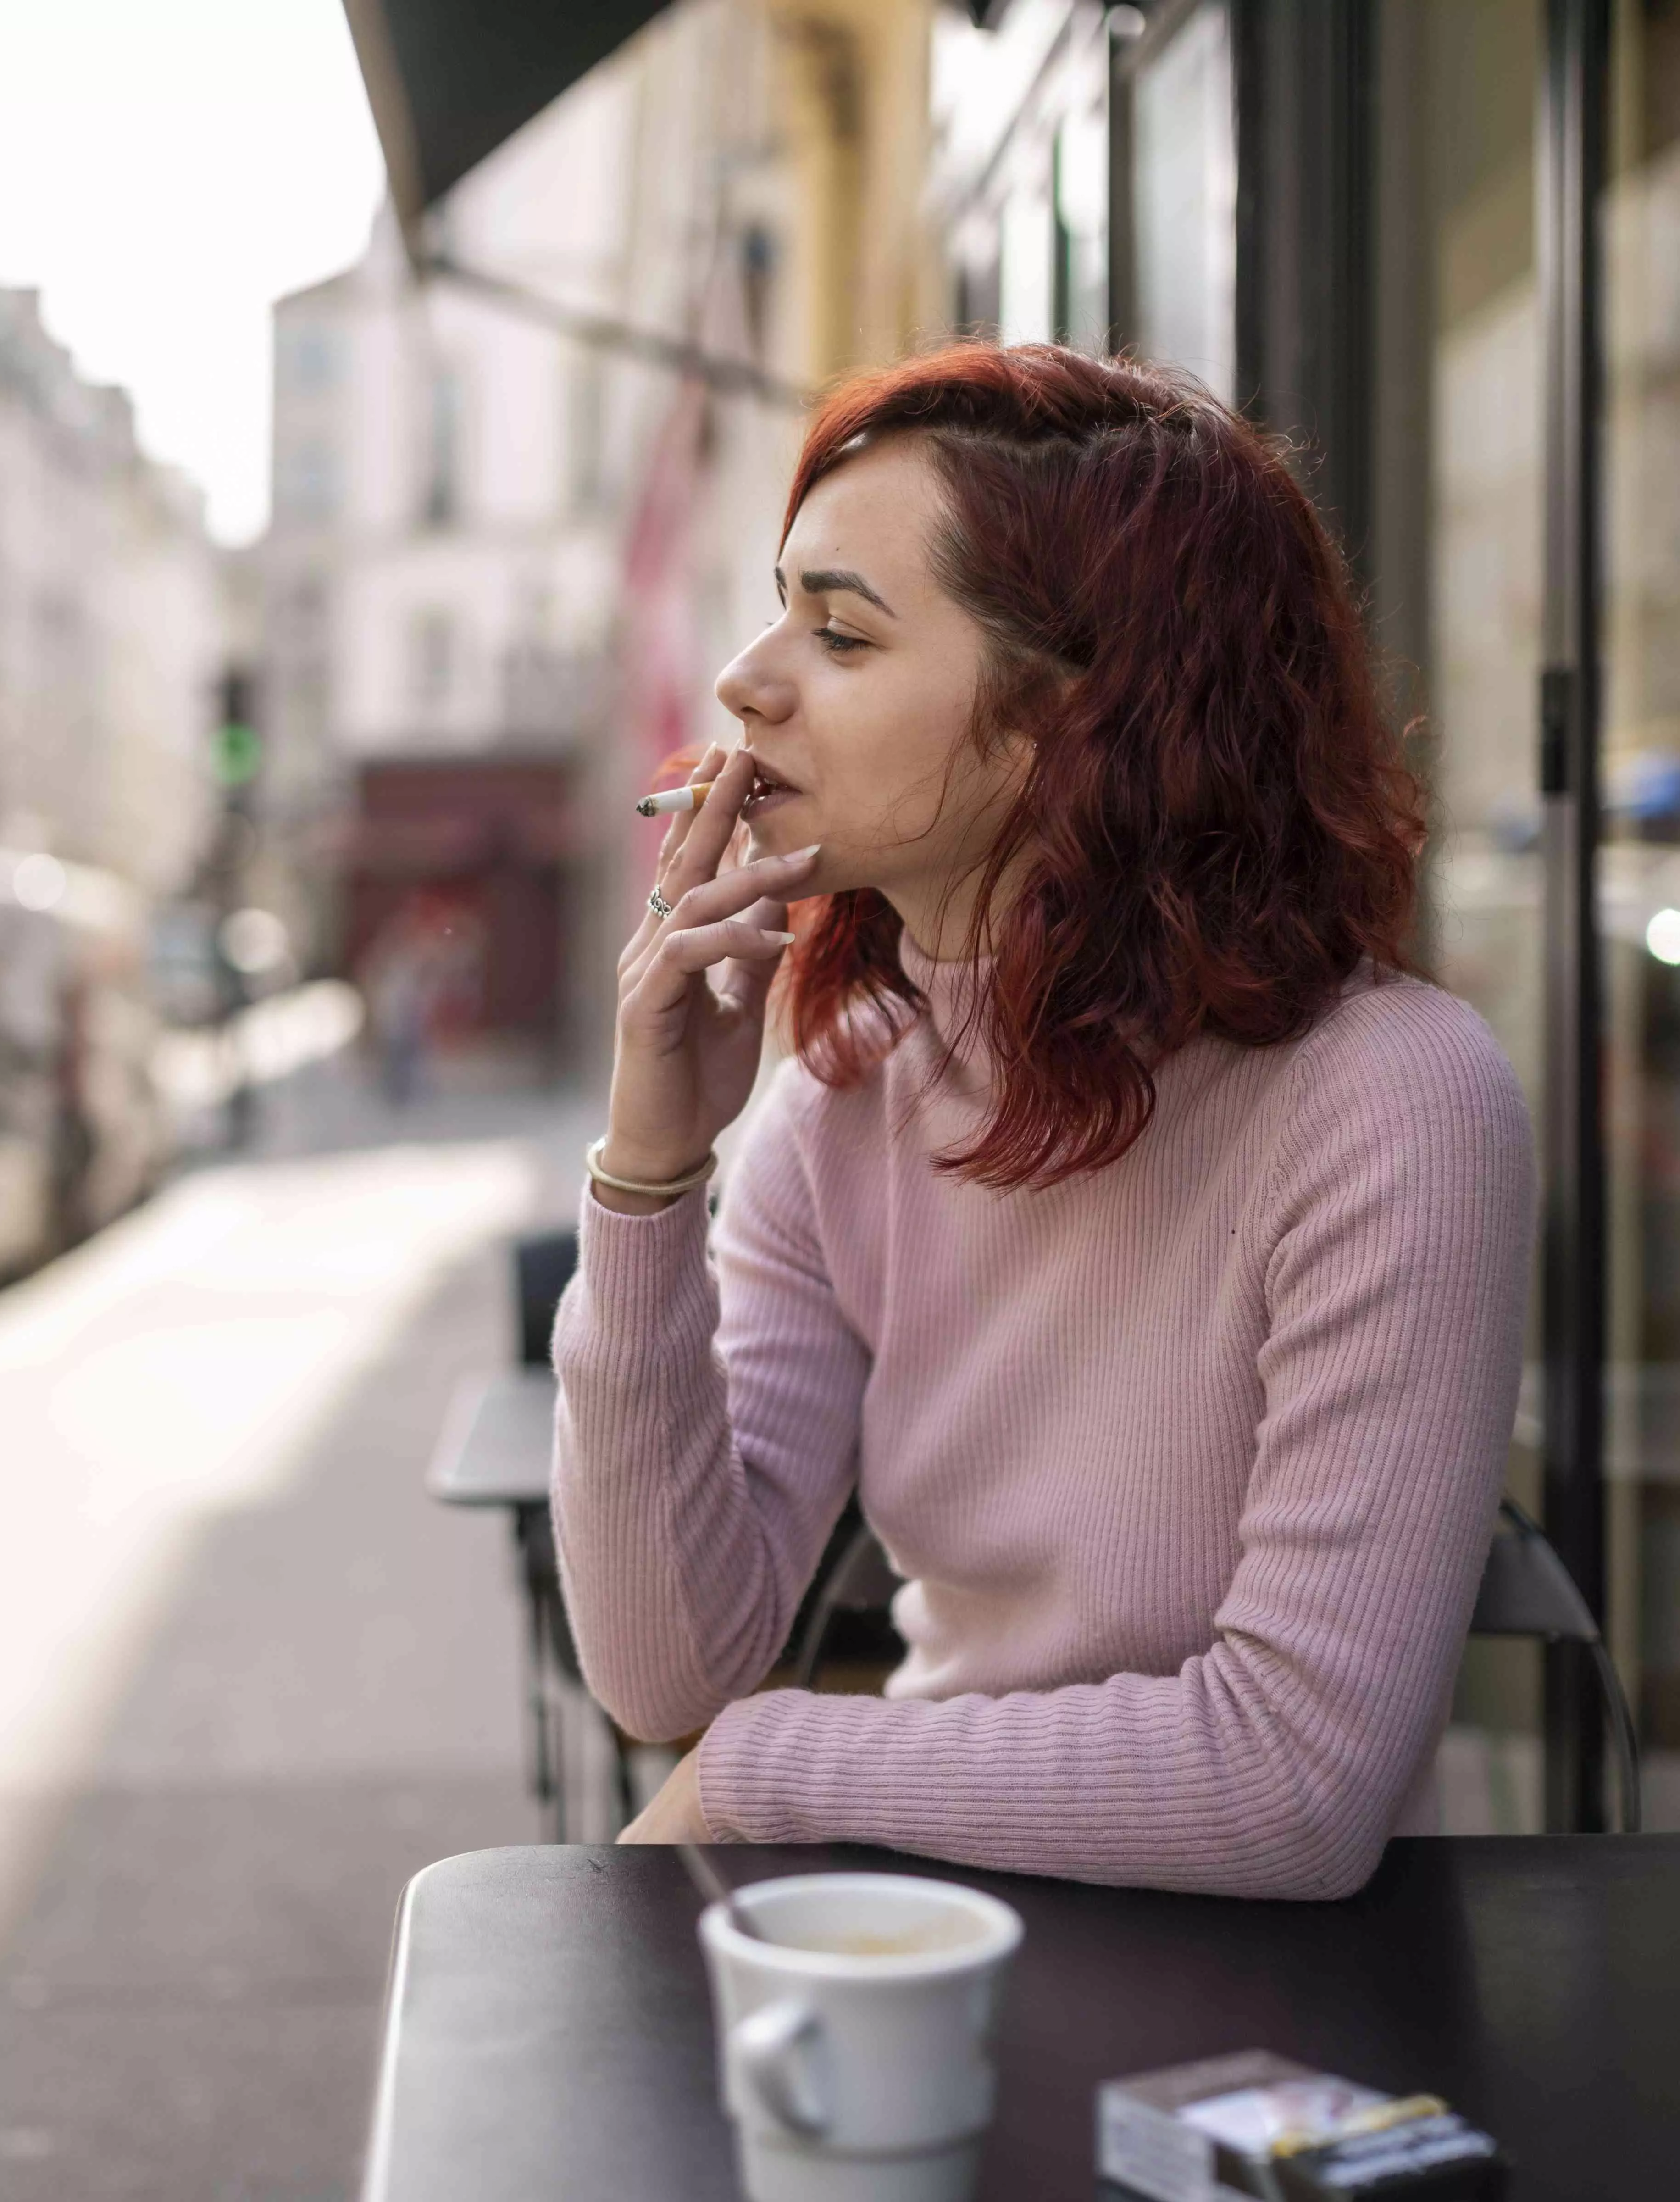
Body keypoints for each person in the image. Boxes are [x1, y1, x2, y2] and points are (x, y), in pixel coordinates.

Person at [549, 344, 1535, 1899]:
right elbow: (667, 1670)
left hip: (1296, 2017)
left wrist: (767, 1772)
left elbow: (1293, 1781)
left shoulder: (1394, 1103)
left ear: (1068, 724)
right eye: (778, 607)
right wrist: (652, 1174)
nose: (748, 681)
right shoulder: (842, 1099)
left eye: (840, 633)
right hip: (926, 1939)